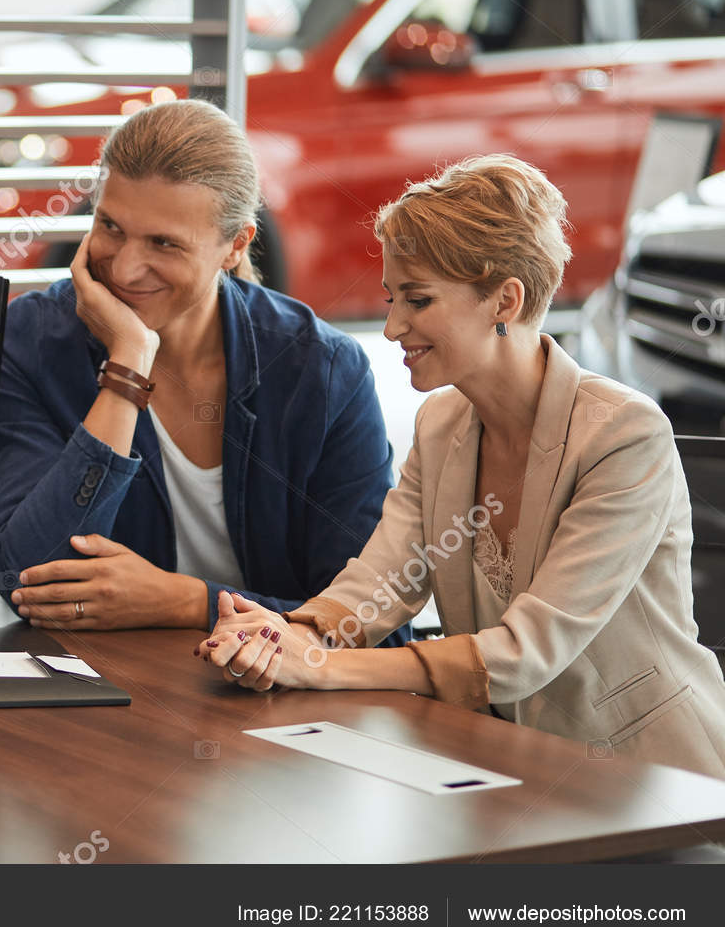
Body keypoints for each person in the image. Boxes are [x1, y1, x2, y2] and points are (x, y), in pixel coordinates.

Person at [200, 154, 725, 779]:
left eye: (418, 300)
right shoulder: (441, 423)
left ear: (505, 300)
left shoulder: (624, 436)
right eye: (392, 299)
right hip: (509, 764)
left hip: (656, 781)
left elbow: (525, 654)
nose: (392, 327)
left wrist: (318, 666)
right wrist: (288, 635)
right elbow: (381, 585)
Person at [0, 99, 400, 636]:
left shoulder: (322, 369)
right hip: (104, 676)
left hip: (279, 683)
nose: (125, 269)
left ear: (235, 245)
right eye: (111, 226)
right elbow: (26, 578)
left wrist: (185, 601)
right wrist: (127, 366)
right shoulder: (33, 340)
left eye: (164, 243)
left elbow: (371, 622)